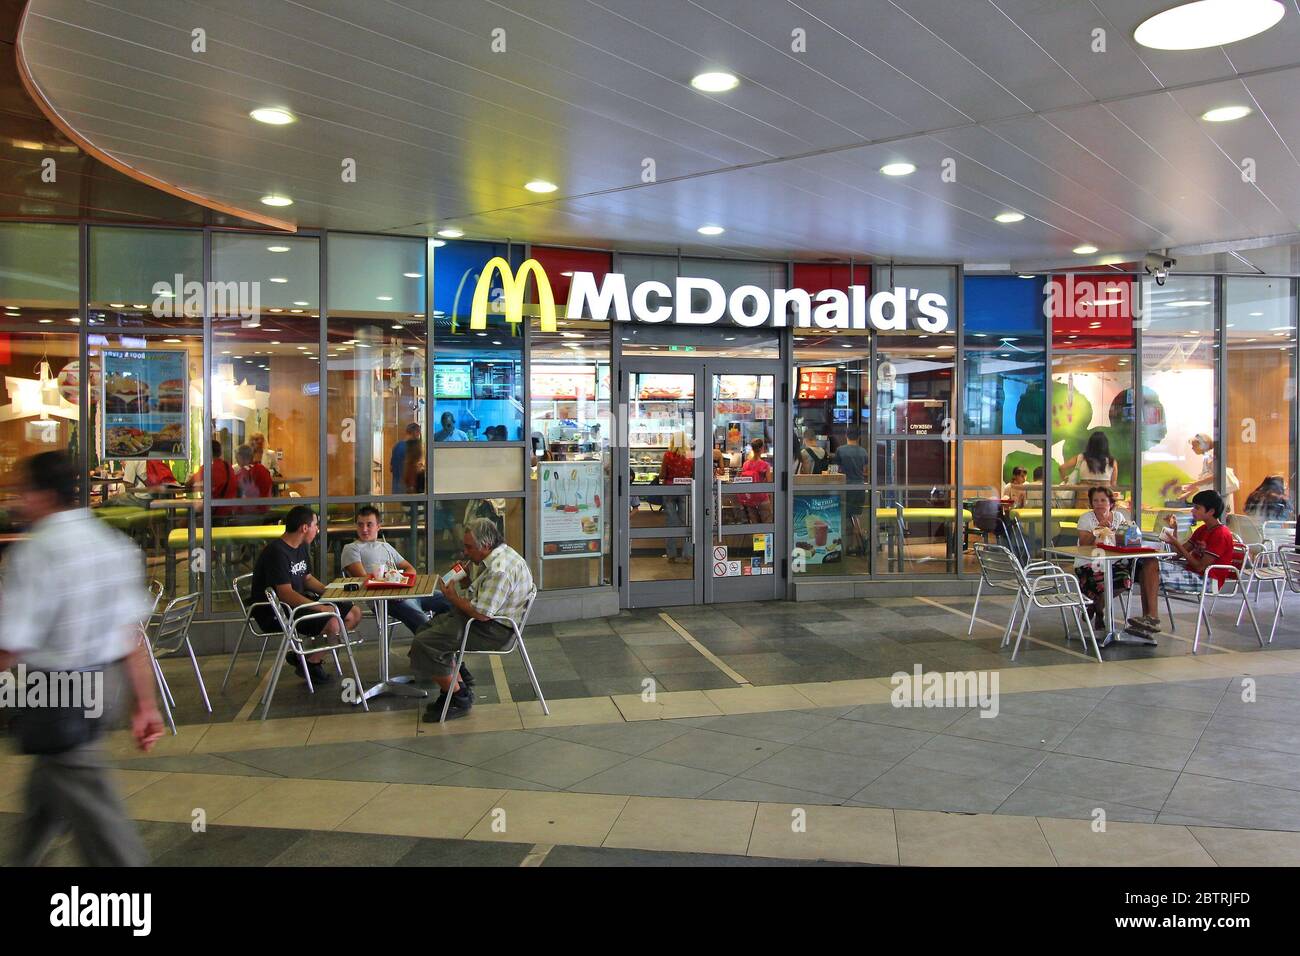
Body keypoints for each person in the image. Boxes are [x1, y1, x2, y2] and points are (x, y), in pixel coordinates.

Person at [0, 451, 164, 866]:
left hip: (57, 692)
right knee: (48, 786)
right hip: (105, 686)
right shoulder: (111, 543)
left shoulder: (36, 552)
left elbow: (10, 643)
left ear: (42, 494)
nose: (18, 501)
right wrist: (144, 704)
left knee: (93, 805)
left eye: (22, 491)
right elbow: (131, 635)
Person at [410, 517, 533, 721]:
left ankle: (459, 698)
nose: (466, 552)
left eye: (469, 547)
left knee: (424, 644)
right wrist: (466, 580)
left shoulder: (499, 569)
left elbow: (482, 613)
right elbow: (482, 598)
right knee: (425, 629)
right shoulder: (500, 554)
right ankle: (454, 688)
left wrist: (452, 597)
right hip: (486, 621)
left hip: (495, 631)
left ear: (485, 545)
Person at [250, 505, 362, 684]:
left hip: (297, 603)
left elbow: (307, 579)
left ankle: (307, 657)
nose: (317, 529)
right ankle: (311, 663)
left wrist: (330, 593)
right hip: (275, 610)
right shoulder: (276, 552)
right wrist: (320, 607)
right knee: (333, 621)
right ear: (304, 528)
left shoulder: (301, 547)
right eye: (315, 525)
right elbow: (285, 594)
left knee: (354, 613)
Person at [1127, 490, 1235, 637]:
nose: (1193, 510)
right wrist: (1175, 532)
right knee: (1146, 564)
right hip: (1193, 573)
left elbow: (1200, 566)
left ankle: (1151, 617)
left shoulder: (1221, 534)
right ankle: (1149, 618)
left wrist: (1175, 542)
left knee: (1151, 565)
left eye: (1197, 508)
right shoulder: (1203, 529)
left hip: (1208, 579)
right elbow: (1178, 554)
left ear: (1210, 511)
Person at [341, 505, 452, 635]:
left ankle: (437, 638)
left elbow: (410, 569)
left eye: (369, 524)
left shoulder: (386, 546)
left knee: (450, 600)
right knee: (422, 621)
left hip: (406, 592)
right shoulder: (352, 548)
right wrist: (395, 586)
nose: (364, 529)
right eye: (360, 525)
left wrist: (403, 581)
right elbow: (364, 579)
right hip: (386, 600)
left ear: (378, 526)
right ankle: (435, 644)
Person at [1073, 487, 1133, 628]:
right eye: (1095, 500)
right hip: (1088, 562)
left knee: (1124, 581)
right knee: (1100, 583)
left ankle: (1096, 607)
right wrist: (1098, 528)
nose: (1099, 503)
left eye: (1103, 500)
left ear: (1111, 503)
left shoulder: (1119, 517)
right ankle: (1100, 613)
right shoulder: (1086, 518)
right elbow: (1083, 544)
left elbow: (1124, 540)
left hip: (1113, 562)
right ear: (1091, 503)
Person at [1178, 433, 1240, 513]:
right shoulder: (1208, 457)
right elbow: (1206, 484)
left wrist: (1194, 484)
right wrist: (1188, 493)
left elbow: (1215, 476)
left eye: (1195, 446)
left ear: (1204, 445)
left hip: (1219, 495)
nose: (1192, 448)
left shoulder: (1210, 456)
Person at [659, 431, 693, 563]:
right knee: (687, 523)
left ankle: (671, 555)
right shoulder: (690, 456)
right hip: (686, 490)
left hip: (669, 490)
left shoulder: (667, 455)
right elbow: (693, 474)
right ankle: (688, 555)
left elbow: (662, 475)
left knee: (671, 523)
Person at [833, 428, 869, 555]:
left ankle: (848, 546)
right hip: (859, 487)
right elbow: (865, 470)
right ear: (859, 437)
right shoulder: (863, 451)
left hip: (846, 487)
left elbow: (836, 469)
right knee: (855, 516)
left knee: (846, 516)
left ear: (846, 435)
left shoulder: (840, 450)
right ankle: (857, 544)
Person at [737, 438, 773, 522]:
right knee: (767, 525)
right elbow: (769, 484)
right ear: (761, 448)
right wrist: (770, 501)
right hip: (762, 499)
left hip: (750, 499)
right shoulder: (765, 465)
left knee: (755, 526)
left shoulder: (745, 464)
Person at [390, 422, 421, 493]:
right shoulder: (410, 448)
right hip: (407, 487)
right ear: (415, 433)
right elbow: (411, 469)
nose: (418, 436)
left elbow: (391, 468)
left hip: (396, 487)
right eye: (418, 433)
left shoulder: (397, 446)